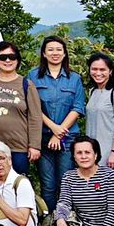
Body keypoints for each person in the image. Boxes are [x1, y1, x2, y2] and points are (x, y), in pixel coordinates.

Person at [28, 36, 86, 213]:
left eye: (59, 49)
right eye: (50, 49)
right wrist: (53, 128)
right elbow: (32, 106)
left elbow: (78, 107)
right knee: (48, 184)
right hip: (43, 139)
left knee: (65, 180)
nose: (55, 53)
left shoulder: (74, 78)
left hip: (68, 139)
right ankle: (49, 222)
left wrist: (59, 133)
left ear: (65, 52)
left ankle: (66, 220)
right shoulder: (33, 76)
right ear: (44, 53)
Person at [0, 41, 43, 175]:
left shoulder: (26, 84)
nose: (8, 60)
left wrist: (34, 146)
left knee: (18, 186)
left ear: (18, 59)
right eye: (3, 57)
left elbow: (35, 117)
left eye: (12, 56)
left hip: (19, 147)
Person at [85, 51, 114, 170]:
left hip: (110, 155)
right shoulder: (92, 91)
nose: (98, 73)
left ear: (110, 71)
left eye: (102, 70)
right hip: (93, 154)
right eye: (94, 69)